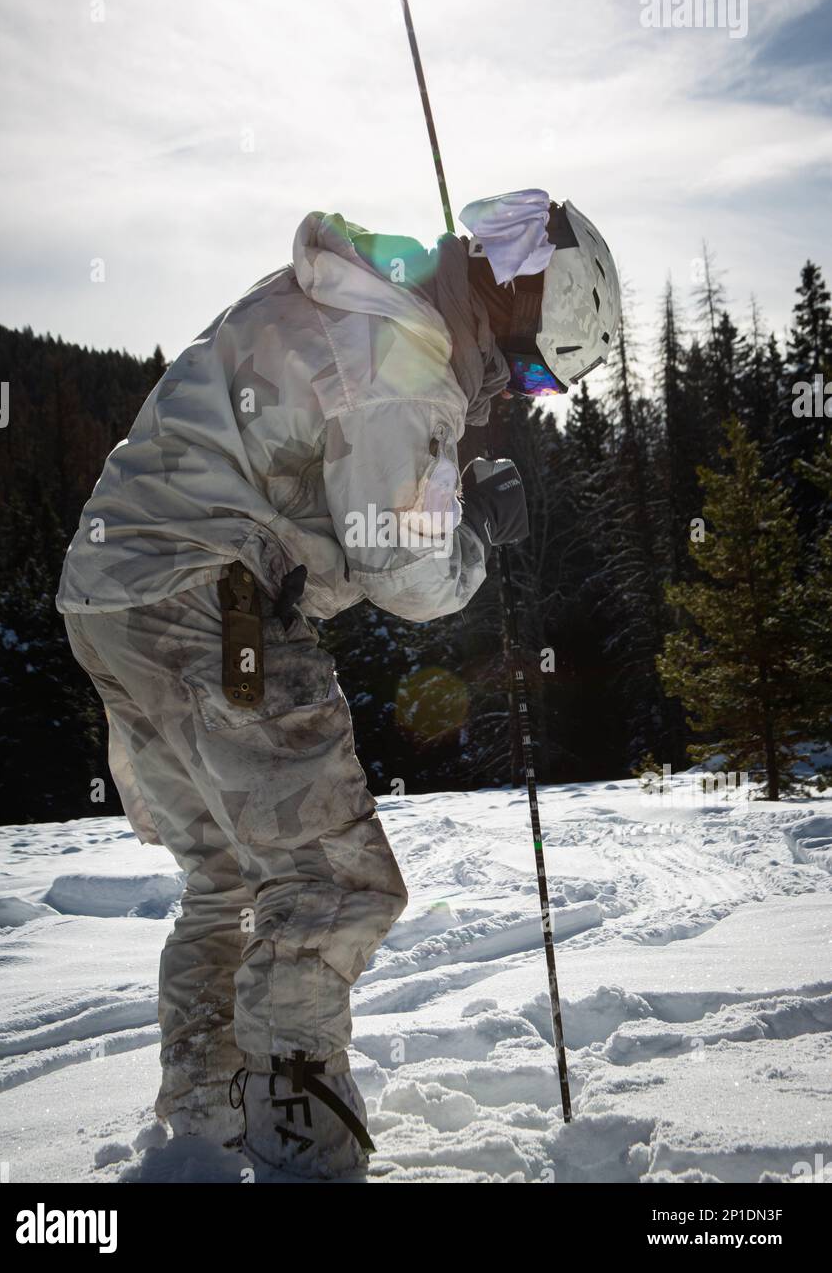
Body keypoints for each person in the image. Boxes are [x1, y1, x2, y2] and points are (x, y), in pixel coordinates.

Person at [57, 188, 620, 1180]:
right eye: (537, 369)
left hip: (110, 600)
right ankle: (299, 1145)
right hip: (214, 608)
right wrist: (475, 533)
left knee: (227, 878)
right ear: (528, 309)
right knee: (331, 882)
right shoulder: (402, 354)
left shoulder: (347, 293)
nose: (519, 393)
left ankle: (200, 1116)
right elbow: (399, 570)